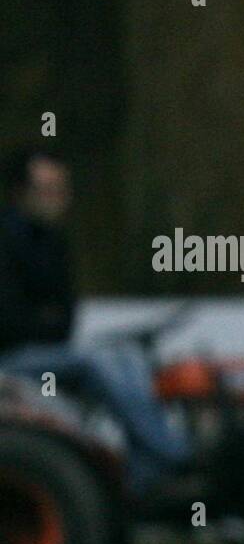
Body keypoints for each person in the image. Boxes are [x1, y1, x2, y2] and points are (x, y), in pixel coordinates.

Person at [0, 147, 190, 495]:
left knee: (126, 355)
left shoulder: (53, 242)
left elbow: (63, 319)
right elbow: (11, 323)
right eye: (47, 190)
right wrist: (45, 321)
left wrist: (44, 320)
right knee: (99, 361)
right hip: (11, 359)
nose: (58, 200)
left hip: (42, 352)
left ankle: (145, 469)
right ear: (19, 192)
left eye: (61, 190)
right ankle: (173, 453)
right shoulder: (7, 239)